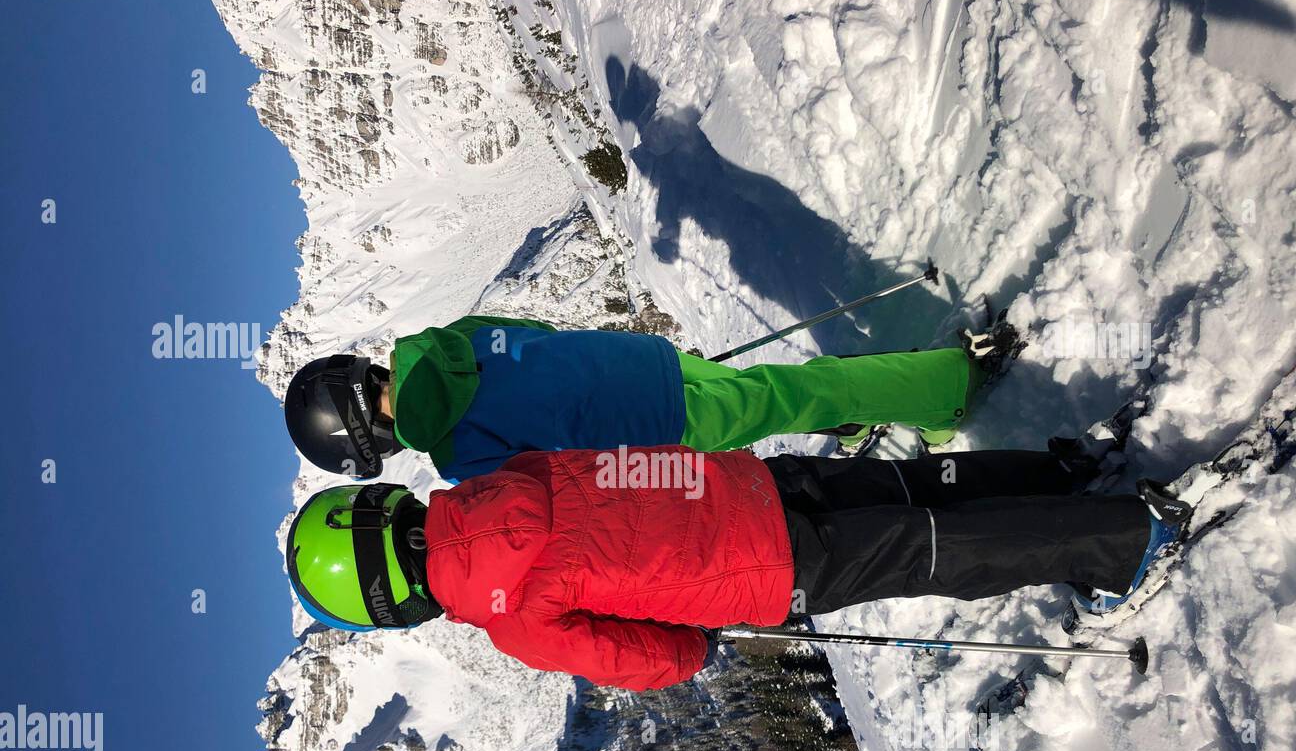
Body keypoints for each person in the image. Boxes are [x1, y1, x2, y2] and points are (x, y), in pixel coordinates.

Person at [284, 445, 1188, 691]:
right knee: (913, 484)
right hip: (748, 482)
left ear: (390, 608)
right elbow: (607, 472)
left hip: (760, 570)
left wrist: (695, 644)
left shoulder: (515, 620)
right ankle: (1059, 470)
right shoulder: (500, 478)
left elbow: (647, 659)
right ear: (383, 505)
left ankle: (1121, 538)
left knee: (930, 550)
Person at [282, 314, 993, 481]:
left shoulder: (458, 457)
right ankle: (871, 406)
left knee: (794, 395)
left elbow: (563, 475)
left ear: (366, 444)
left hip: (657, 422)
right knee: (773, 390)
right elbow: (536, 335)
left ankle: (945, 390)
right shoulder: (441, 340)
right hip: (638, 358)